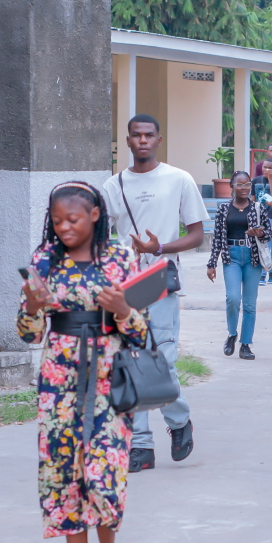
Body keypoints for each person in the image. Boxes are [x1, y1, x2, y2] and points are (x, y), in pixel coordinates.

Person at [18, 182, 148, 543]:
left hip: (110, 382)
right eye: (56, 221)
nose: (63, 228)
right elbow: (29, 332)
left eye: (72, 219)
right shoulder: (44, 260)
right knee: (67, 482)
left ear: (94, 215)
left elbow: (141, 333)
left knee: (103, 479)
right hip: (59, 383)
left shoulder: (120, 258)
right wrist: (33, 307)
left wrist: (124, 310)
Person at [102, 114, 205, 473]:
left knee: (163, 360)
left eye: (149, 135)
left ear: (159, 140)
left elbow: (197, 234)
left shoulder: (179, 179)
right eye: (136, 136)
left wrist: (160, 247)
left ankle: (179, 422)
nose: (142, 141)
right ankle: (141, 447)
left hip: (161, 278)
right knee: (131, 362)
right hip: (124, 286)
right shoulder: (112, 185)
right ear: (127, 141)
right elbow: (102, 237)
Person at [208, 169, 269, 359]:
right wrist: (211, 264)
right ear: (231, 187)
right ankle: (232, 334)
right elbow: (217, 237)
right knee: (233, 298)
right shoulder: (224, 209)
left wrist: (258, 233)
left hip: (252, 258)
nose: (244, 188)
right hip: (231, 256)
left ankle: (246, 344)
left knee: (250, 304)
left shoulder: (258, 208)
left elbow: (268, 233)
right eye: (240, 184)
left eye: (247, 184)